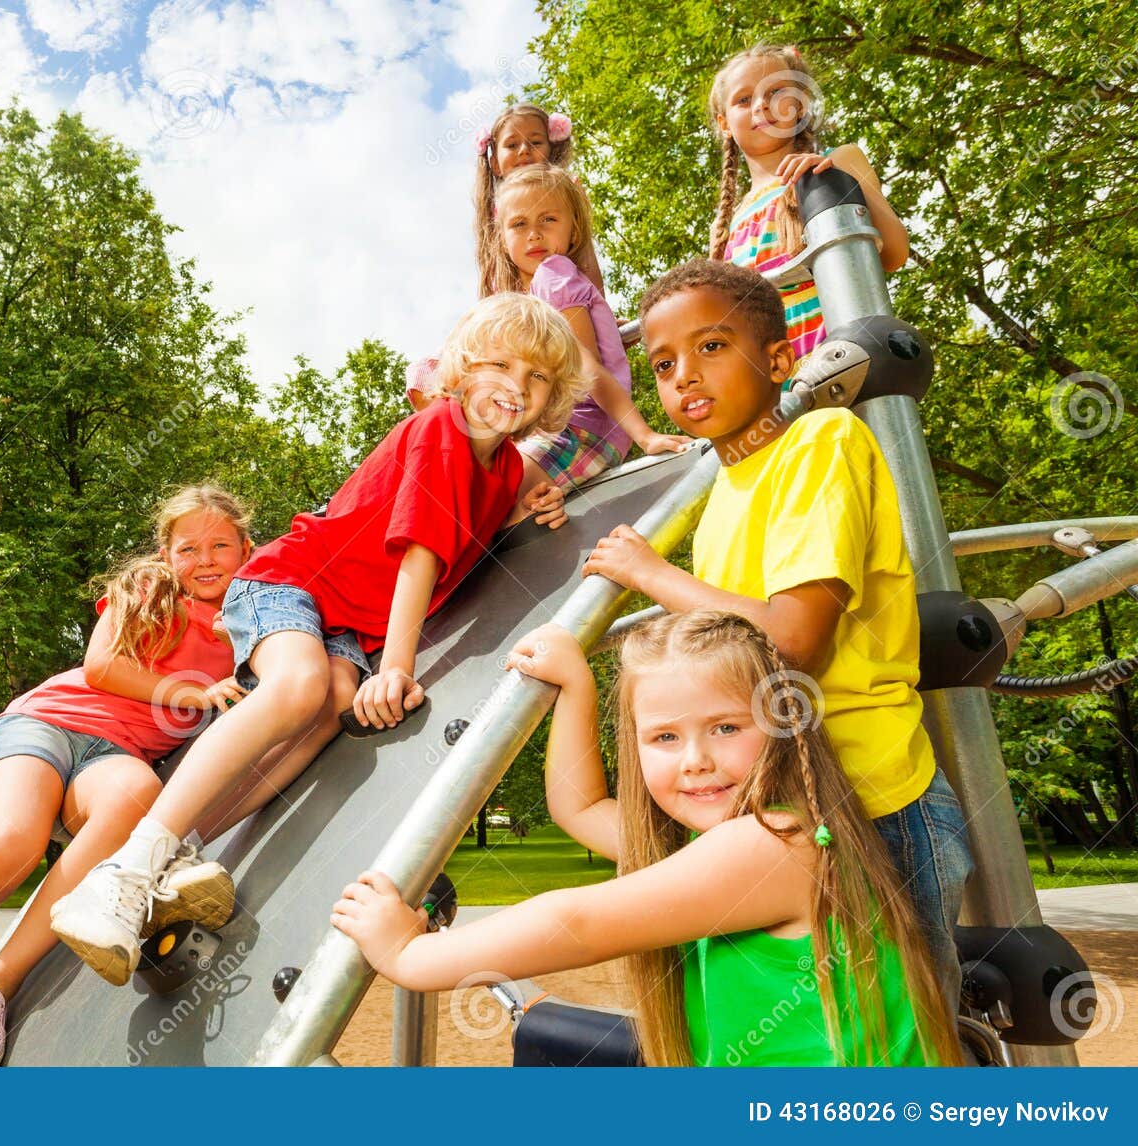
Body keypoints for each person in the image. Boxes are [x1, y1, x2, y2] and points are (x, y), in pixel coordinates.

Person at [49, 292, 585, 986]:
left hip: (346, 632)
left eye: (537, 378)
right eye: (500, 365)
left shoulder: (508, 470)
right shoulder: (439, 429)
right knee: (301, 686)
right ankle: (129, 862)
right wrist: (395, 668)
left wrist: (538, 496)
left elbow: (504, 503)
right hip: (291, 585)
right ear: (460, 369)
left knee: (330, 702)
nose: (516, 386)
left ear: (550, 399)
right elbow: (420, 550)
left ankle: (181, 850)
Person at [582, 259, 973, 1006]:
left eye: (711, 347)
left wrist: (652, 575)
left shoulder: (820, 440)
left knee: (904, 1031)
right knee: (816, 1031)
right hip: (784, 805)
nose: (685, 376)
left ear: (778, 357)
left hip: (873, 798)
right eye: (663, 364)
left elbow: (793, 642)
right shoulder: (723, 495)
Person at [334, 612, 963, 1066]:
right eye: (664, 736)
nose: (694, 760)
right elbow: (579, 809)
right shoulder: (751, 845)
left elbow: (577, 921)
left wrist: (410, 960)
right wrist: (576, 687)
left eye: (724, 726)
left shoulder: (775, 843)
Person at [0, 485, 255, 1067]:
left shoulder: (253, 620)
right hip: (46, 723)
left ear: (247, 548)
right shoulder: (147, 590)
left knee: (139, 795)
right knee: (12, 841)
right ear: (166, 553)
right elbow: (101, 667)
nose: (204, 559)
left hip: (120, 755)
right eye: (188, 548)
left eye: (220, 545)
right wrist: (190, 691)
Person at [484, 164, 690, 497]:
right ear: (503, 236)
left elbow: (586, 366)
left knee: (491, 496)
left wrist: (645, 435)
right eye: (519, 224)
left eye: (548, 220)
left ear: (573, 230)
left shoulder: (554, 275)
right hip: (575, 430)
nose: (534, 233)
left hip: (582, 430)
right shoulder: (538, 292)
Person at [707, 44, 910, 361]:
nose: (760, 105)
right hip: (773, 382)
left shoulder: (838, 161)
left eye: (775, 92)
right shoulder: (727, 224)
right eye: (743, 100)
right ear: (724, 124)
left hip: (843, 361)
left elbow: (895, 253)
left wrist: (833, 179)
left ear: (799, 106)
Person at [473, 102, 603, 295]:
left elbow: (586, 257)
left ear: (552, 150)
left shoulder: (566, 192)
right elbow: (493, 273)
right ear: (495, 164)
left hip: (569, 302)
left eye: (535, 142)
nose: (524, 150)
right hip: (518, 314)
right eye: (511, 145)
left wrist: (600, 311)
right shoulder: (496, 210)